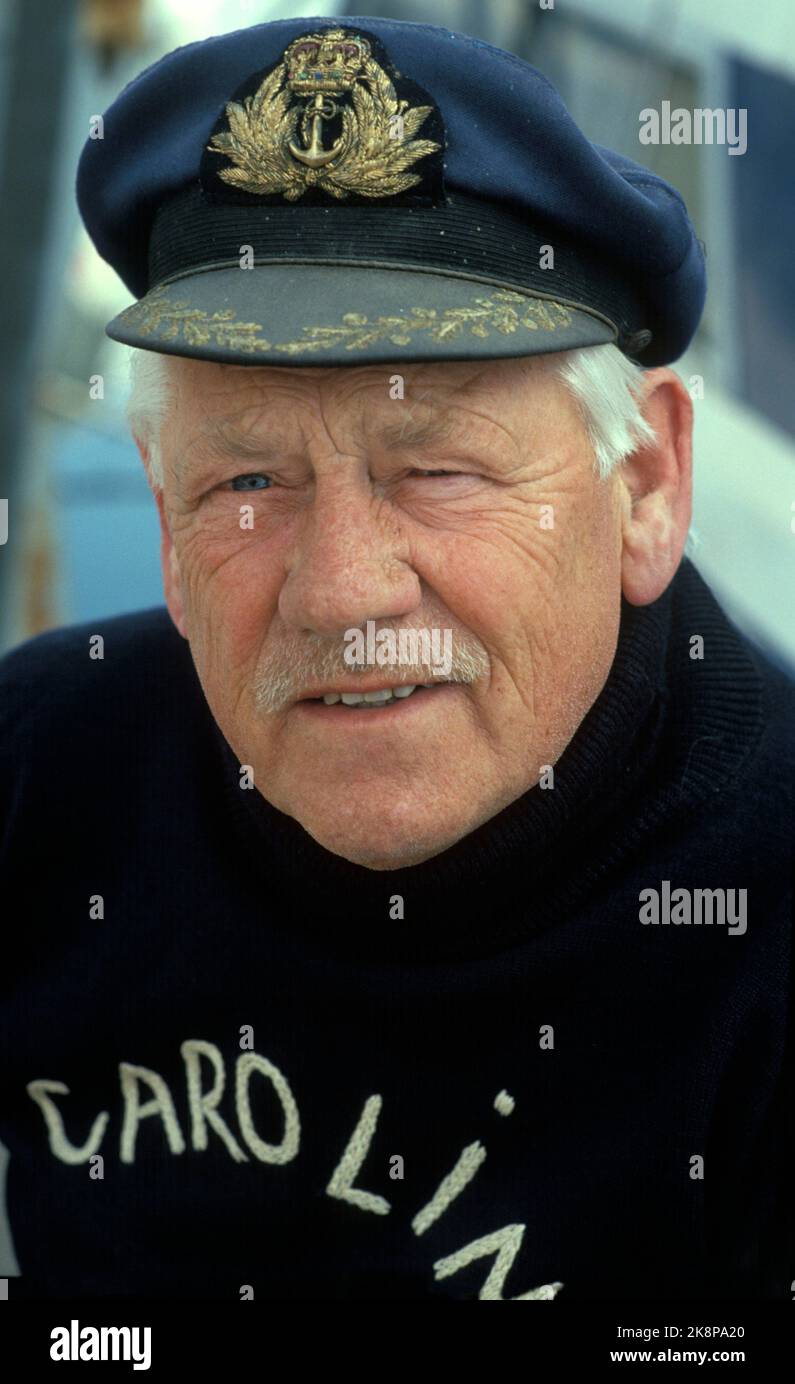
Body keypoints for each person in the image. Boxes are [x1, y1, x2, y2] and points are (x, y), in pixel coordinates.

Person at [0, 16, 791, 1302]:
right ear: (162, 518)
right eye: (248, 479)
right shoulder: (41, 775)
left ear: (644, 485)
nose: (343, 590)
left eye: (436, 471)